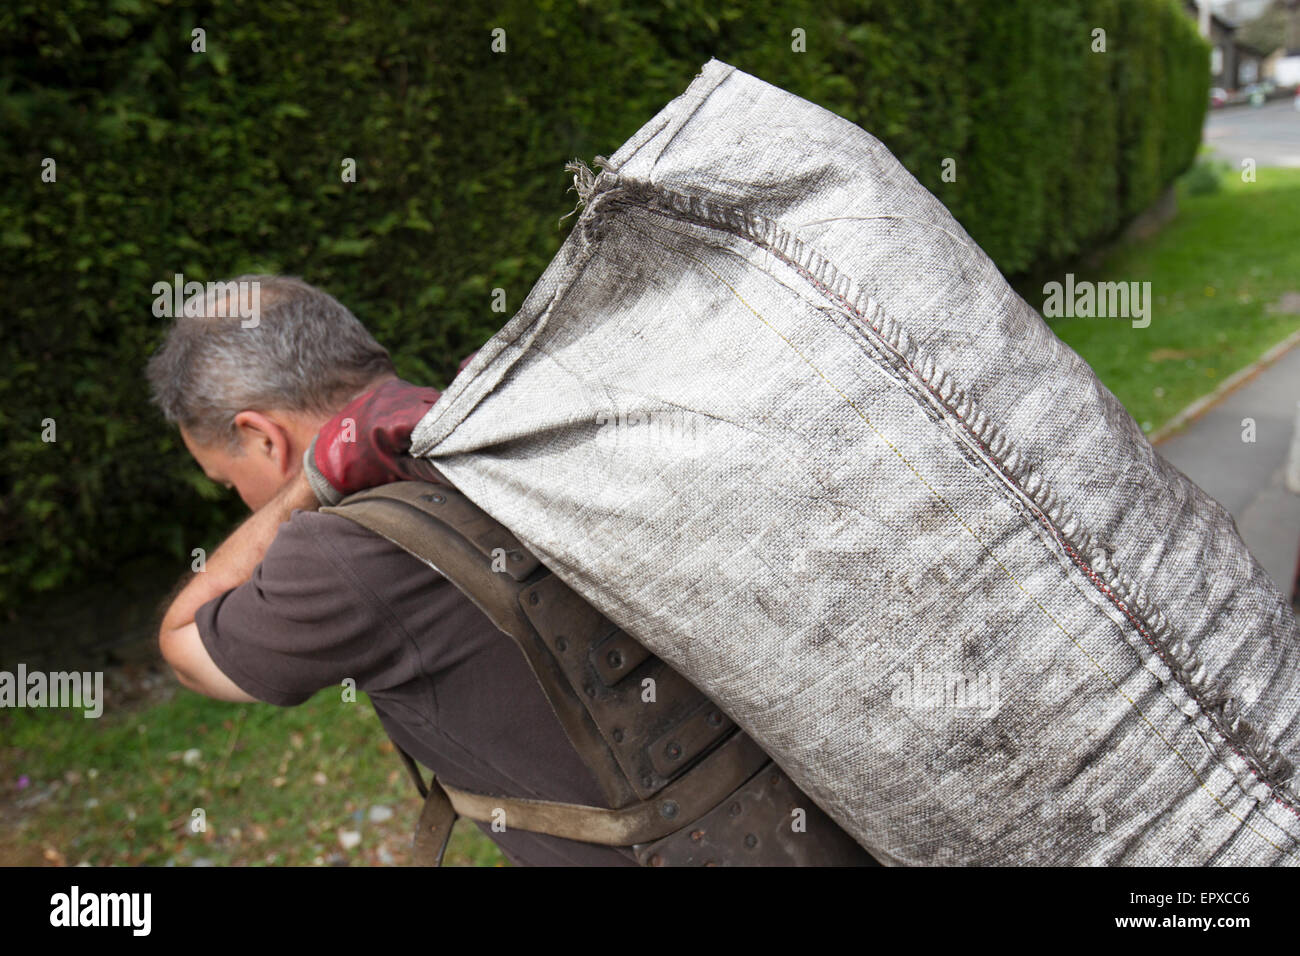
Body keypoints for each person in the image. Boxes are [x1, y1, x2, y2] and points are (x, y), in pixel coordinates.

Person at [148, 274, 639, 865]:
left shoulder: (341, 552)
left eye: (228, 482)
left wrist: (309, 482)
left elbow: (183, 644)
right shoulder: (500, 429)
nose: (239, 501)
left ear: (261, 437)